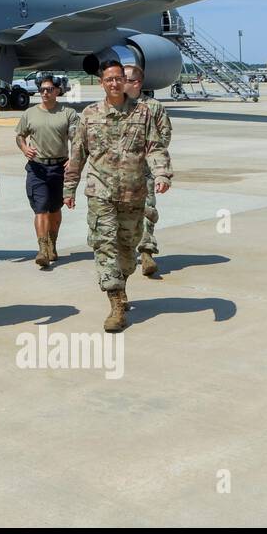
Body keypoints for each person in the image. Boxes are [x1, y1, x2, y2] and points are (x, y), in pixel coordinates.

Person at [63, 59, 172, 332]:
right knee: (104, 245)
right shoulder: (89, 115)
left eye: (118, 78)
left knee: (127, 249)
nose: (114, 83)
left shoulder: (143, 113)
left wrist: (161, 174)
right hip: (101, 193)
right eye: (109, 79)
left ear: (125, 81)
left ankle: (121, 281)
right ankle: (116, 302)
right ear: (102, 83)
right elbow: (77, 155)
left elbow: (155, 147)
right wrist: (69, 187)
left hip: (134, 193)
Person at [14, 75, 78, 268]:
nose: (45, 92)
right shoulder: (30, 113)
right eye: (42, 89)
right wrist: (25, 148)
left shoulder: (68, 113)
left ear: (57, 91)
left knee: (55, 210)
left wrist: (74, 159)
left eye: (49, 89)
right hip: (37, 168)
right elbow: (19, 136)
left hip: (59, 167)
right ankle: (42, 249)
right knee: (40, 208)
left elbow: (77, 139)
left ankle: (52, 243)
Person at [124, 63, 173, 277]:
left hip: (144, 172)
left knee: (147, 211)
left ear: (137, 82)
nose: (119, 82)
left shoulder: (154, 107)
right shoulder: (115, 106)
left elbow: (164, 136)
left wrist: (151, 158)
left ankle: (146, 252)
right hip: (118, 173)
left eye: (124, 78)